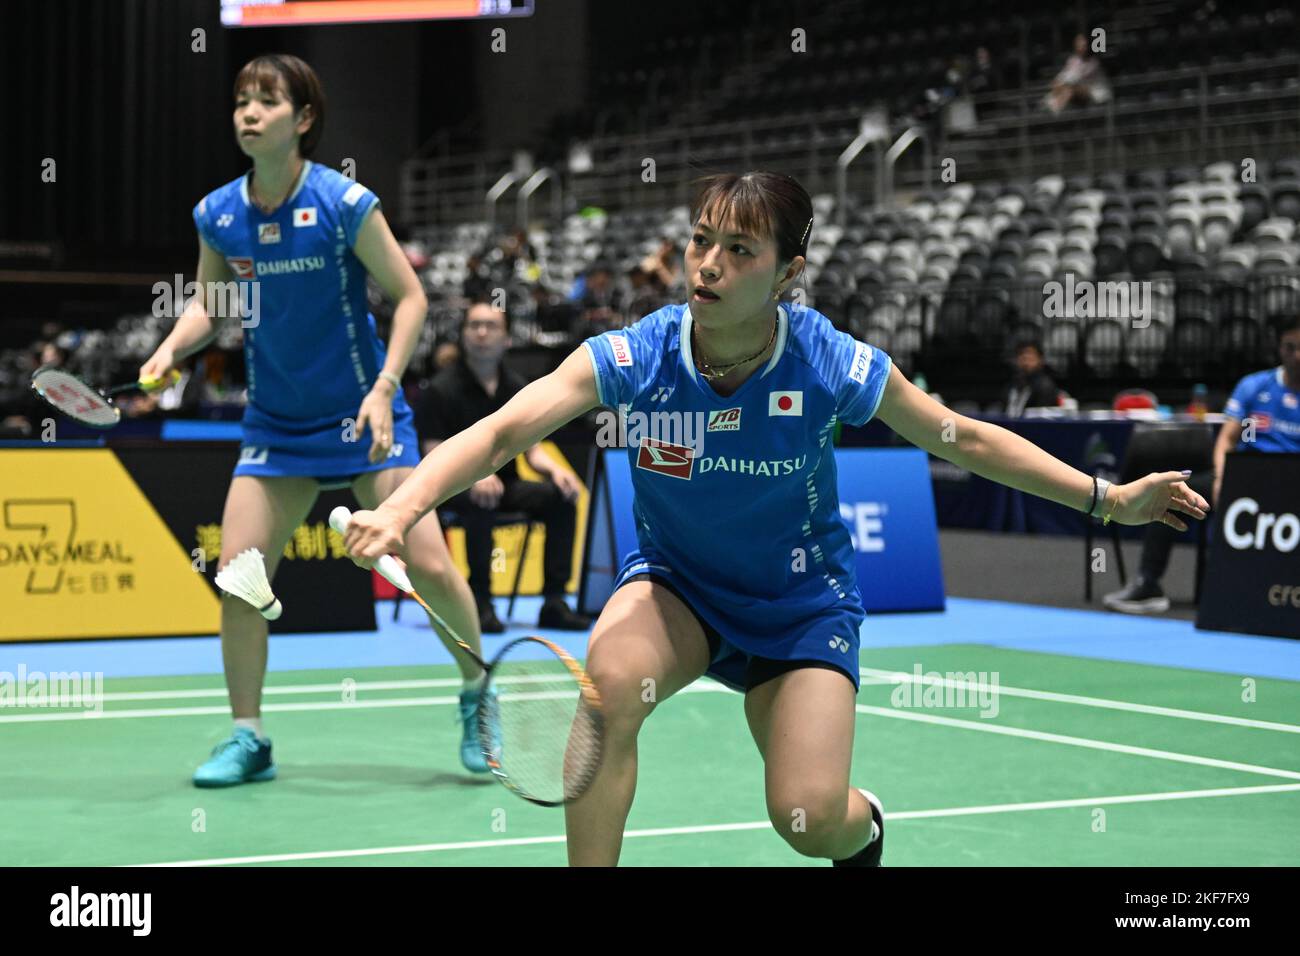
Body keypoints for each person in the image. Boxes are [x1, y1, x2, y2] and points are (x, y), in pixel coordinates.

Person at [341, 171, 1208, 866]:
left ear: (789, 273)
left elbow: (965, 438)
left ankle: (862, 829)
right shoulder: (639, 354)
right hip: (678, 592)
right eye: (700, 241)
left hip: (800, 612)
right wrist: (404, 508)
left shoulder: (827, 359)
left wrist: (1107, 500)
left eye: (739, 249)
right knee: (607, 693)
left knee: (804, 818)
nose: (708, 265)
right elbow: (500, 431)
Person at [138, 54, 494, 787]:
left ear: (302, 120)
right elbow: (215, 302)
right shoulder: (219, 214)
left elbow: (411, 296)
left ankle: (476, 695)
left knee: (427, 566)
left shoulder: (343, 204)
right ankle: (249, 736)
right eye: (241, 100)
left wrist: (385, 385)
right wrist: (172, 347)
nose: (247, 112)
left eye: (266, 101)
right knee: (239, 578)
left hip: (366, 417)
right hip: (277, 425)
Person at [415, 300, 592, 633]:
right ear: (463, 336)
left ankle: (554, 601)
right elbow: (432, 454)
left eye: (491, 326)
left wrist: (555, 470)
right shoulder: (439, 390)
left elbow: (534, 451)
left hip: (504, 486)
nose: (482, 333)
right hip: (453, 490)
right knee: (482, 500)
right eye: (474, 326)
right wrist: (474, 475)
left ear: (507, 339)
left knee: (560, 498)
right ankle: (480, 602)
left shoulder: (517, 387)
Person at [1105, 316, 1300, 614]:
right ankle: (1148, 585)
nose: (1296, 355)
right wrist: (1222, 477)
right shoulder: (1255, 386)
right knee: (1171, 495)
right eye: (1290, 347)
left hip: (1290, 486)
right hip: (1244, 478)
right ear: (1280, 348)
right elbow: (1226, 441)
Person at [1045, 33, 1111, 114]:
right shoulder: (1073, 60)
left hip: (1096, 94)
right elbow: (1064, 76)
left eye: (1084, 45)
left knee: (1069, 90)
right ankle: (1052, 110)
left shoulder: (1094, 62)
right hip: (1076, 93)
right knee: (1062, 88)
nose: (1082, 47)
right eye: (1079, 44)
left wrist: (1062, 85)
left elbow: (1077, 78)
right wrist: (1058, 83)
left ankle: (1053, 113)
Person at [1002, 339, 1062, 416]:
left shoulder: (1045, 386)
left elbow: (1042, 416)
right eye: (1023, 357)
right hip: (1006, 425)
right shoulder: (1011, 384)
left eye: (1030, 358)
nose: (1026, 363)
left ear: (1040, 360)